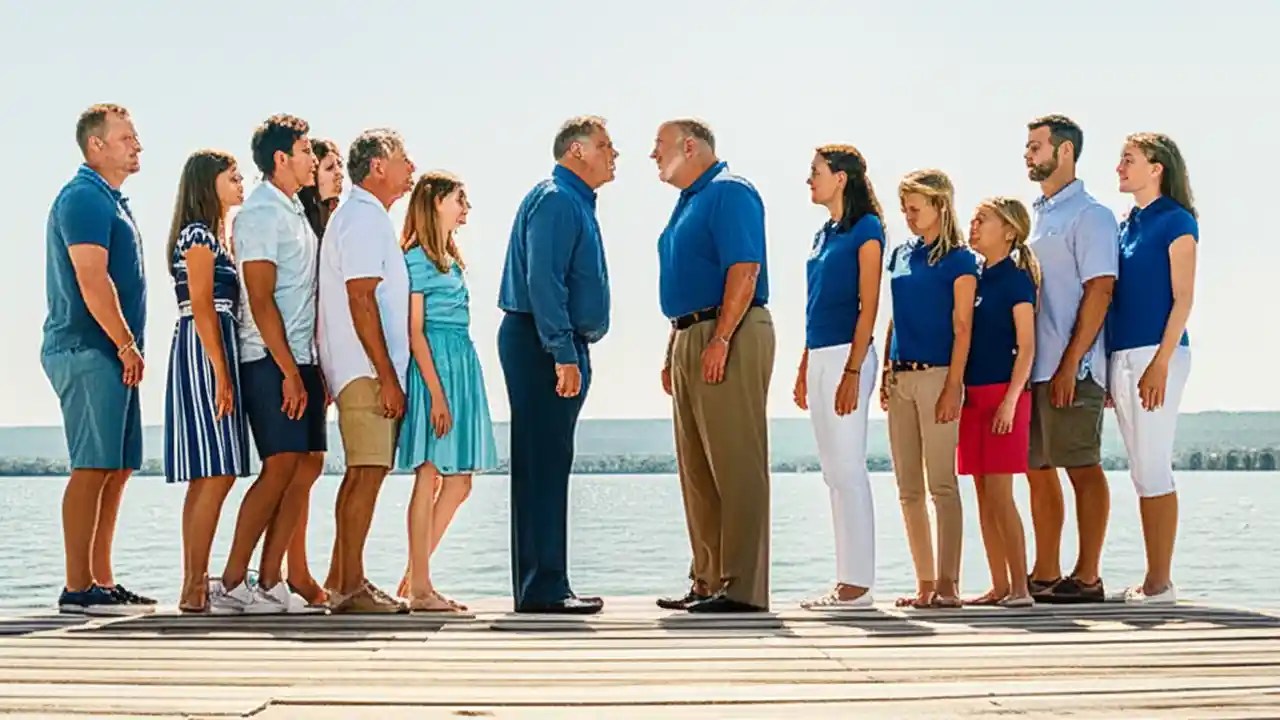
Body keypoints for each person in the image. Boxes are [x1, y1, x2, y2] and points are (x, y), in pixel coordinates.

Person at [652, 118, 774, 614]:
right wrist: (672, 349)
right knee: (697, 468)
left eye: (659, 146)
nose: (652, 154)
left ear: (690, 146)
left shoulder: (730, 191)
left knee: (736, 463)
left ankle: (742, 588)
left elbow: (745, 270)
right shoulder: (687, 203)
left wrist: (721, 337)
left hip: (731, 331)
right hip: (689, 334)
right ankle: (706, 579)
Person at [497, 115, 615, 614]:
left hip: (550, 342)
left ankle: (545, 583)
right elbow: (543, 279)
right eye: (606, 146)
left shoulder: (573, 201)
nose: (615, 155)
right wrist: (563, 353)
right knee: (542, 466)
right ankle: (544, 588)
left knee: (546, 464)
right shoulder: (557, 199)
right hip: (542, 344)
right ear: (576, 152)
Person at [42, 103, 155, 614]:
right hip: (88, 349)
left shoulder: (112, 201)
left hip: (114, 352)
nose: (137, 145)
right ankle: (77, 587)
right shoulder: (83, 198)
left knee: (118, 467)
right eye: (127, 137)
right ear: (97, 145)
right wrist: (126, 343)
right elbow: (92, 279)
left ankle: (101, 583)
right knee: (93, 465)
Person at [210, 113, 324, 614]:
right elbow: (259, 298)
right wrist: (288, 372)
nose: (313, 160)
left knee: (303, 465)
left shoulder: (295, 209)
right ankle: (233, 581)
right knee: (278, 466)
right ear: (281, 158)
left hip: (303, 357)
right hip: (269, 359)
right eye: (305, 151)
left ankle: (270, 581)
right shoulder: (259, 213)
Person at [318, 128, 415, 614]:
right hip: (365, 371)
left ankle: (342, 578)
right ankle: (351, 588)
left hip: (361, 368)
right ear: (378, 165)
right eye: (403, 159)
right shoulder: (361, 219)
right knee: (367, 473)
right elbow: (360, 296)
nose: (411, 169)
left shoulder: (360, 216)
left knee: (361, 475)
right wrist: (387, 375)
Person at [1023, 115, 1119, 604]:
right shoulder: (1037, 215)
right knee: (1037, 467)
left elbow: (1100, 289)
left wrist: (1070, 364)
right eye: (1027, 146)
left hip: (1072, 368)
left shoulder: (1092, 214)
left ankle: (1087, 577)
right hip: (1034, 368)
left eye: (1036, 146)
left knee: (1081, 466)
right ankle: (1044, 573)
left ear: (1064, 152)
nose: (1028, 154)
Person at [394, 170, 496, 612]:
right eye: (460, 198)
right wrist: (435, 393)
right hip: (435, 366)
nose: (466, 207)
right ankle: (420, 588)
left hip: (461, 365)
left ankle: (415, 576)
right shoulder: (415, 259)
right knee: (430, 472)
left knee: (459, 481)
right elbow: (415, 333)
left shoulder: (450, 259)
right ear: (436, 201)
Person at [882, 169, 978, 610]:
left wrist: (953, 386)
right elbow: (894, 317)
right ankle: (924, 585)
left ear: (940, 205)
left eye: (915, 207)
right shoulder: (900, 254)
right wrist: (886, 370)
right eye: (904, 207)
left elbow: (963, 326)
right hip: (900, 378)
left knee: (942, 484)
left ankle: (948, 585)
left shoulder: (959, 259)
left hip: (940, 375)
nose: (908, 215)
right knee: (907, 489)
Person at [794, 144, 884, 610]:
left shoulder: (867, 229)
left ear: (841, 178)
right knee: (833, 472)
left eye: (816, 172)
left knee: (849, 469)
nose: (809, 179)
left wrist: (853, 367)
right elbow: (815, 304)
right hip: (821, 356)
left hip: (849, 356)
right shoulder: (823, 234)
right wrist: (805, 361)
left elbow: (869, 304)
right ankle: (845, 580)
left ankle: (859, 586)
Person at [1110, 133, 1198, 605]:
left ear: (1156, 167)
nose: (1119, 168)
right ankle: (1153, 579)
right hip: (1122, 356)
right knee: (1140, 469)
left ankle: (1159, 584)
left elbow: (1183, 298)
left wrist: (1160, 363)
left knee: (1153, 465)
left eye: (1128, 160)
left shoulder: (1176, 222)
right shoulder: (1127, 225)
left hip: (1156, 355)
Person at [162, 150, 251, 613]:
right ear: (207, 182)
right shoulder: (198, 235)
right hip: (205, 346)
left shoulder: (217, 237)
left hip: (216, 344)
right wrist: (220, 372)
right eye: (232, 177)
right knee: (214, 470)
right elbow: (200, 304)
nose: (240, 184)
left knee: (214, 471)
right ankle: (193, 583)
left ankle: (195, 582)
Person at [960, 197, 1039, 608]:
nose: (973, 226)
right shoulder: (973, 277)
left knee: (1001, 494)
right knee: (982, 495)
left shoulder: (1017, 280)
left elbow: (1026, 347)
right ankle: (999, 586)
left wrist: (1010, 400)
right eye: (972, 219)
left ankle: (1021, 589)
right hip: (972, 396)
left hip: (1004, 396)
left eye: (982, 220)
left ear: (1009, 231)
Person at [286, 137, 344, 606]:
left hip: (317, 357)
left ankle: (298, 569)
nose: (337, 173)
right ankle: (293, 571)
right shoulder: (304, 225)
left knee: (310, 464)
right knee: (297, 466)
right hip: (298, 356)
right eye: (328, 166)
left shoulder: (329, 224)